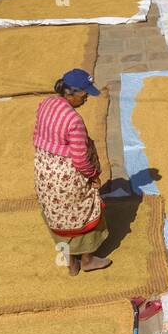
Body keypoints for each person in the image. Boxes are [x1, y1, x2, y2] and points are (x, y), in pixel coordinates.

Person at [33, 70, 111, 276]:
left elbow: (36, 134)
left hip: (44, 172)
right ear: (70, 93)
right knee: (84, 213)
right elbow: (80, 159)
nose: (86, 98)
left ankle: (71, 263)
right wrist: (93, 174)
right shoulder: (73, 120)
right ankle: (87, 259)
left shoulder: (46, 104)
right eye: (84, 94)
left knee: (58, 215)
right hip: (67, 178)